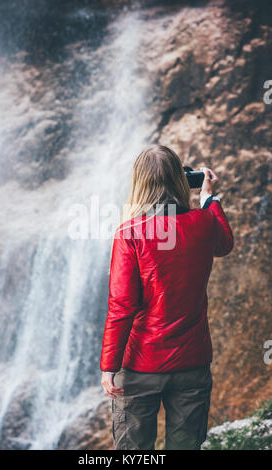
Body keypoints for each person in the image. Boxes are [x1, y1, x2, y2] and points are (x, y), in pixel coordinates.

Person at [100, 144, 234, 450]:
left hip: (138, 366)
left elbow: (122, 306)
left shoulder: (130, 232)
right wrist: (210, 199)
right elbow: (224, 245)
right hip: (191, 363)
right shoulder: (204, 222)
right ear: (180, 180)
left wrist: (109, 364)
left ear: (140, 183)